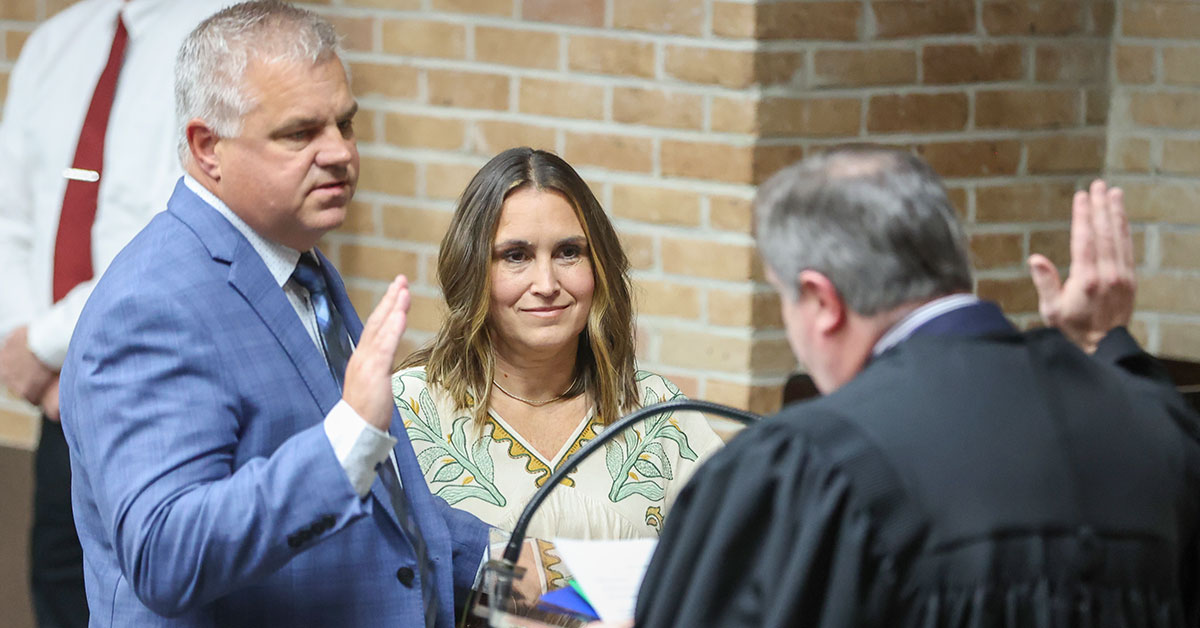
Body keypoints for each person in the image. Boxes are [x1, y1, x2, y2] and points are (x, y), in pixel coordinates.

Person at [634, 145, 1200, 627]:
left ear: (823, 301)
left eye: (785, 299)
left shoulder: (810, 465)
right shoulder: (1153, 426)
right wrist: (1104, 344)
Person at [58, 2, 489, 626]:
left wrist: (569, 592)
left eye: (345, 124)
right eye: (300, 133)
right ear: (207, 147)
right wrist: (348, 443)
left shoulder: (296, 263)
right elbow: (165, 554)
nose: (339, 152)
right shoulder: (151, 306)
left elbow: (395, 532)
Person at [391, 148, 722, 580]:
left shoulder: (658, 413)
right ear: (472, 268)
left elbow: (728, 568)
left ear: (598, 266)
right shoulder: (407, 411)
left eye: (568, 252)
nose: (546, 284)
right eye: (515, 256)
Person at [0, 1, 225, 626]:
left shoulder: (222, 33)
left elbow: (175, 230)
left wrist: (47, 346)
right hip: (60, 396)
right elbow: (11, 215)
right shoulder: (57, 42)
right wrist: (26, 348)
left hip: (167, 381)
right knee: (58, 574)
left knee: (158, 594)